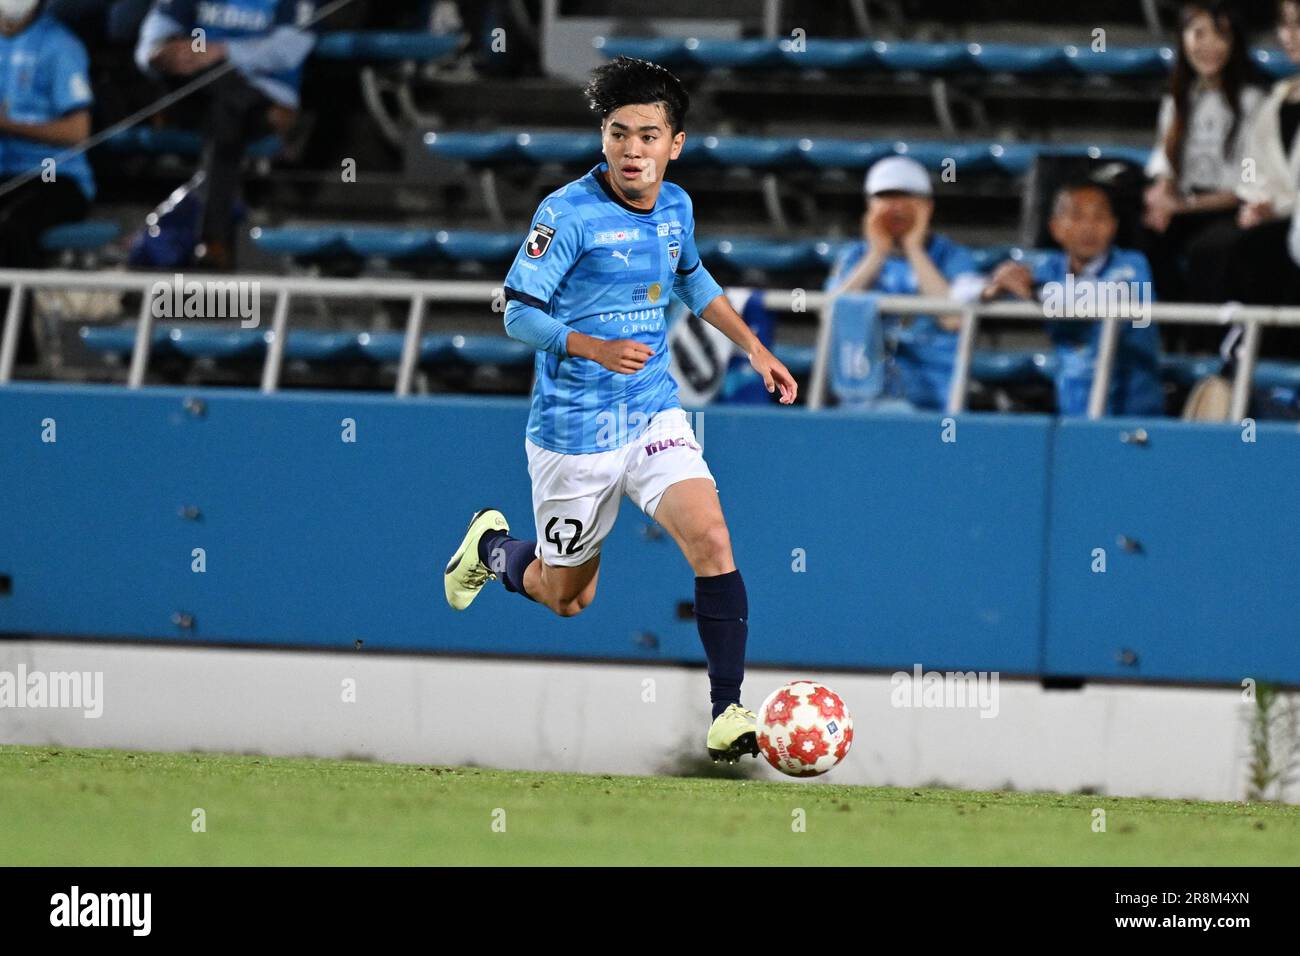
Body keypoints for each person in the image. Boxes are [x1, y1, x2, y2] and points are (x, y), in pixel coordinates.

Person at [442, 57, 798, 764]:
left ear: (676, 143)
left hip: (653, 415)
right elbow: (516, 314)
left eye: (648, 135)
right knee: (569, 598)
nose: (633, 149)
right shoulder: (566, 214)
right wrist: (592, 347)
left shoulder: (677, 207)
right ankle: (491, 547)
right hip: (574, 435)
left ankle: (727, 711)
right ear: (602, 138)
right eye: (618, 133)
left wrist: (755, 349)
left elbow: (692, 280)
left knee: (713, 539)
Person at [134, 0, 315, 269]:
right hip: (198, 89)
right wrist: (158, 52)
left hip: (261, 95)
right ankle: (213, 242)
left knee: (226, 112)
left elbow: (290, 48)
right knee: (227, 105)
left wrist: (224, 51)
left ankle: (212, 241)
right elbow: (156, 29)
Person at [1139, 1, 1263, 345]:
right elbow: (1164, 164)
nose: (1209, 46)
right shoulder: (1179, 97)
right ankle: (1158, 339)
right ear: (1183, 39)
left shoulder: (1253, 101)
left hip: (1228, 208)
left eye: (1220, 35)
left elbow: (1247, 183)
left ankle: (1202, 348)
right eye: (1199, 34)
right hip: (1185, 203)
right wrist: (1162, 196)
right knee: (1143, 236)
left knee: (1207, 250)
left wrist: (1182, 206)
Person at [982, 182, 1164, 416]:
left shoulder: (1133, 266)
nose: (1089, 228)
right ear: (1056, 228)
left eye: (1099, 218)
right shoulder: (1049, 266)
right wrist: (994, 286)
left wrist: (1033, 291)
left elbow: (1102, 296)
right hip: (1072, 403)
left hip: (1130, 407)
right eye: (1077, 217)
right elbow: (971, 289)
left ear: (1113, 226)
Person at [824, 155, 984, 410]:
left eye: (906, 196)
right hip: (865, 398)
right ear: (869, 206)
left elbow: (954, 319)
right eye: (885, 197)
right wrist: (876, 255)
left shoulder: (954, 257)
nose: (895, 207)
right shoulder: (853, 257)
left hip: (936, 399)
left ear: (927, 206)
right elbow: (832, 315)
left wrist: (914, 249)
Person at [0, 0, 95, 365]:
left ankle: (18, 356)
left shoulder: (59, 45)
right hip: (5, 175)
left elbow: (78, 131)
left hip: (55, 177)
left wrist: (9, 126)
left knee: (11, 230)